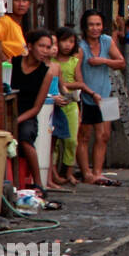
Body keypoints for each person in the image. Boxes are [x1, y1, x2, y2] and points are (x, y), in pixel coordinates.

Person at [77, 8, 124, 186]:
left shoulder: (107, 41)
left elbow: (121, 62)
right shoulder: (80, 46)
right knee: (84, 136)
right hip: (87, 96)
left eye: (98, 25)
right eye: (91, 25)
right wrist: (89, 92)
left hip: (107, 94)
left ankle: (98, 172)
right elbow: (77, 74)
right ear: (85, 27)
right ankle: (86, 173)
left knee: (104, 135)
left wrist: (103, 61)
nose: (95, 28)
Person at [11, 29, 61, 193]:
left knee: (25, 138)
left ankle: (38, 183)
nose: (45, 51)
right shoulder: (14, 63)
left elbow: (36, 108)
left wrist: (17, 120)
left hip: (27, 115)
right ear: (30, 46)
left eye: (48, 47)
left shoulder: (45, 73)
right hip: (9, 111)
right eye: (42, 46)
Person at [49, 27, 84, 188]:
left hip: (70, 105)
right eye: (64, 41)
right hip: (54, 104)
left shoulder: (74, 61)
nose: (67, 45)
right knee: (54, 142)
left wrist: (65, 86)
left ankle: (68, 171)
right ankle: (53, 173)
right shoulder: (52, 63)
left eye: (71, 41)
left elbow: (80, 82)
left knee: (71, 141)